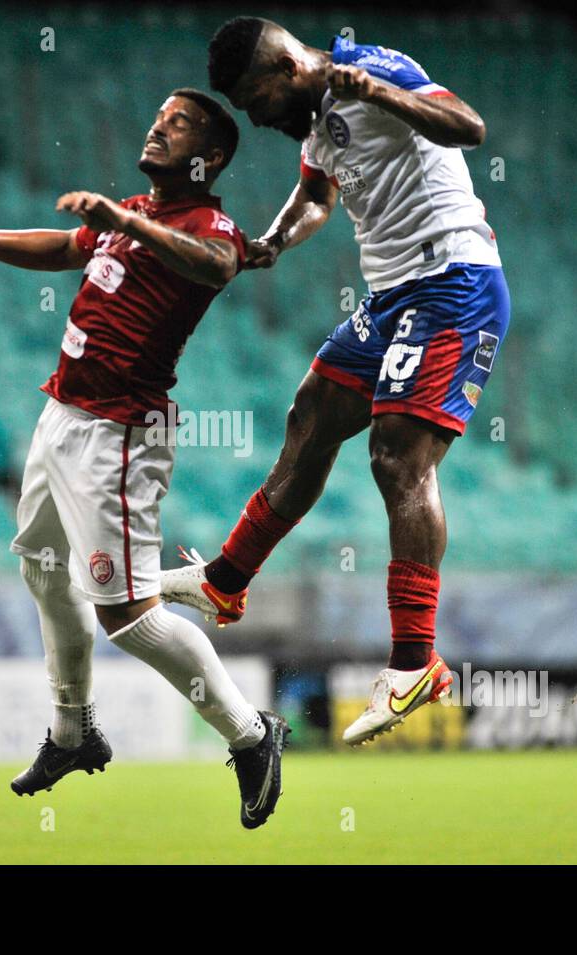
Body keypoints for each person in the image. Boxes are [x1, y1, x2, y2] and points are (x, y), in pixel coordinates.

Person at [0, 88, 289, 829]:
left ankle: (252, 734)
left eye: (177, 124)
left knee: (128, 618)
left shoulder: (205, 223)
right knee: (40, 565)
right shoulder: (133, 215)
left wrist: (123, 219)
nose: (157, 127)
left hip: (119, 435)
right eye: (157, 116)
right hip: (62, 412)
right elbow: (61, 246)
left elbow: (217, 265)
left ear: (212, 156)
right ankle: (72, 732)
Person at [162, 18, 511, 746]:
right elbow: (317, 199)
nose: (258, 119)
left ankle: (415, 662)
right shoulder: (316, 126)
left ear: (288, 66)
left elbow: (467, 125)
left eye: (257, 100)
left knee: (396, 456)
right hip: (390, 295)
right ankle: (226, 579)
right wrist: (275, 241)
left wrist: (379, 91)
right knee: (311, 417)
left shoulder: (372, 69)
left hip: (452, 281)